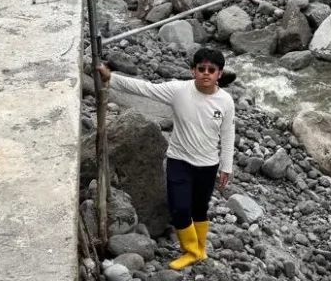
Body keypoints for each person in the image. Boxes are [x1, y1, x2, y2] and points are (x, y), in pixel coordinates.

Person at [97, 47, 237, 271]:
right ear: (193, 71)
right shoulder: (178, 91)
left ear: (220, 73)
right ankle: (190, 251)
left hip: (208, 164)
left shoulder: (226, 101)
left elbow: (228, 133)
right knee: (180, 209)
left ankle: (200, 249)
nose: (206, 73)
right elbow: (144, 88)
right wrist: (111, 78)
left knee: (200, 209)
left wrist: (226, 166)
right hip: (179, 161)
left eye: (212, 70)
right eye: (201, 69)